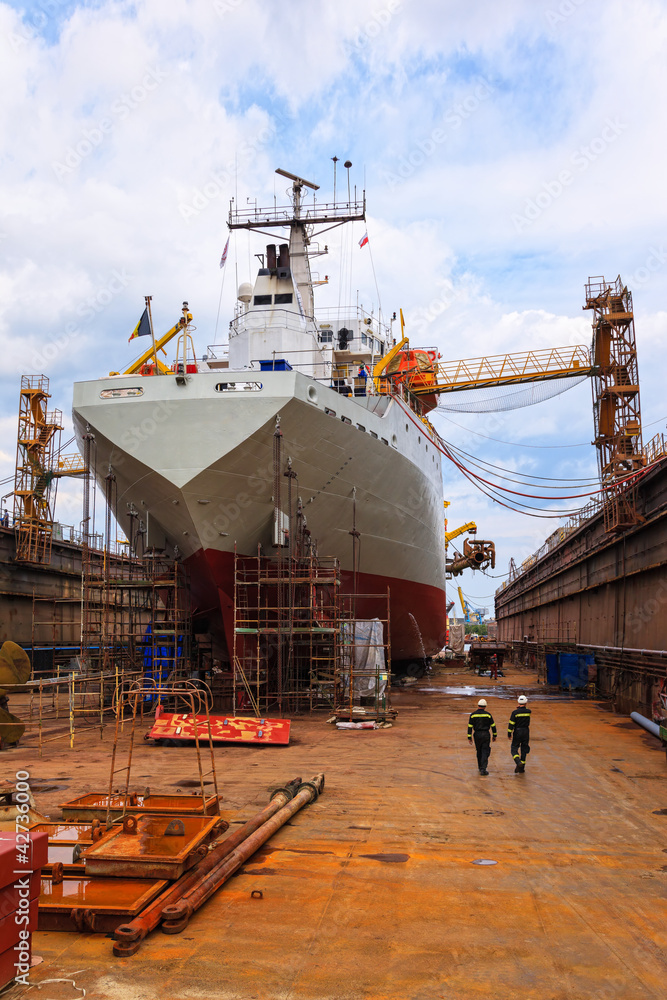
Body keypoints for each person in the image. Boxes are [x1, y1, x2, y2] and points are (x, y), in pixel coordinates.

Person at [467, 698, 497, 775]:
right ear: (485, 706)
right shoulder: (488, 715)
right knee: (485, 751)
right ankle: (483, 768)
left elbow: (470, 726)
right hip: (486, 734)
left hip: (477, 735)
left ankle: (480, 766)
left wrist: (469, 737)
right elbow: (493, 725)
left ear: (478, 705)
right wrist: (494, 735)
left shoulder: (473, 715)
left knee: (479, 750)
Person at [508, 694, 531, 772]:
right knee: (524, 749)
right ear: (526, 703)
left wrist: (509, 733)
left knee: (514, 749)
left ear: (518, 703)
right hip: (526, 732)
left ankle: (518, 761)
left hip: (517, 731)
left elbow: (511, 723)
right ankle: (521, 768)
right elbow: (526, 709)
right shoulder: (528, 712)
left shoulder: (515, 713)